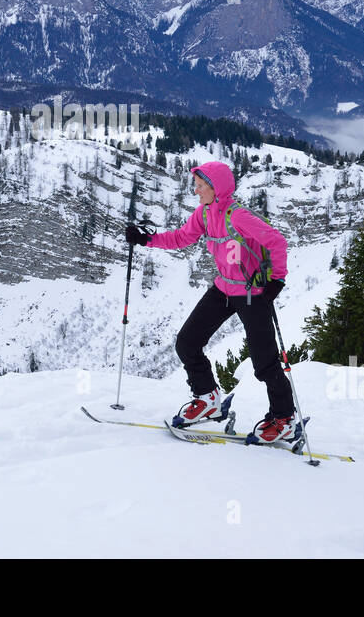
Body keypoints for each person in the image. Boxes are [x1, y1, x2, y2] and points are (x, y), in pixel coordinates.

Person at [125, 160, 297, 444]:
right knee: (187, 342)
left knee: (264, 362)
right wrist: (147, 240)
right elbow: (181, 237)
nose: (196, 191)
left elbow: (276, 241)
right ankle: (208, 398)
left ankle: (284, 418)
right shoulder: (204, 214)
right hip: (223, 288)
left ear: (216, 189)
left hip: (252, 293)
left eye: (201, 186)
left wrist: (277, 280)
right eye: (197, 185)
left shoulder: (237, 216)